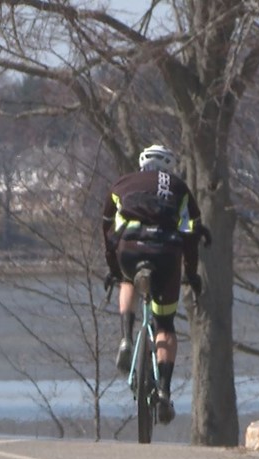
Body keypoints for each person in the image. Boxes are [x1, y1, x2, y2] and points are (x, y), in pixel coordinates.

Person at [102, 144, 206, 425]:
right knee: (165, 325)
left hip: (130, 248)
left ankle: (126, 337)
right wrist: (192, 273)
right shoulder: (180, 188)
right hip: (166, 253)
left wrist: (113, 267)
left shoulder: (122, 183)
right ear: (169, 167)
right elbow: (192, 232)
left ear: (141, 164)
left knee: (127, 280)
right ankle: (163, 391)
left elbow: (107, 224)